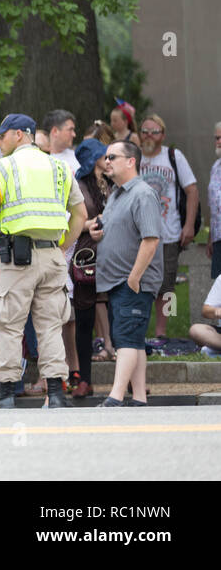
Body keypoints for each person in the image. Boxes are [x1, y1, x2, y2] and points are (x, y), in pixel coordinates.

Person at [0, 114, 87, 409]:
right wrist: (62, 247)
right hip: (52, 256)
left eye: (2, 136)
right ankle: (57, 394)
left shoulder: (2, 168)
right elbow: (80, 215)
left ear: (21, 134)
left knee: (8, 323)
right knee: (50, 326)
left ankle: (7, 393)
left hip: (16, 260)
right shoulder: (59, 167)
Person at [87, 141, 160, 406]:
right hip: (119, 281)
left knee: (125, 339)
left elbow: (151, 239)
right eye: (106, 157)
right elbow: (109, 226)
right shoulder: (117, 194)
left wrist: (134, 277)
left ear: (131, 161)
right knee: (135, 340)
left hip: (132, 281)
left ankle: (115, 396)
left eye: (112, 157)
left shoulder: (142, 194)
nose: (107, 161)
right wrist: (93, 230)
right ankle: (139, 398)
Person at [135, 114, 199, 343]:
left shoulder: (173, 156)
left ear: (163, 135)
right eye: (145, 131)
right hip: (139, 235)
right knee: (139, 283)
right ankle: (139, 332)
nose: (149, 135)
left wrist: (189, 225)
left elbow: (191, 190)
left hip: (168, 233)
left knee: (167, 286)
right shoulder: (134, 157)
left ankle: (163, 331)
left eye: (154, 131)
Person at [69, 138, 110, 396]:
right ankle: (84, 379)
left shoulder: (114, 182)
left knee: (119, 315)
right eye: (102, 155)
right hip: (87, 255)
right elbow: (68, 220)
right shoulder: (76, 184)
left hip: (114, 255)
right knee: (84, 319)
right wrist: (91, 224)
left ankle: (129, 378)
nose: (107, 159)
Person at [42, 109, 81, 175]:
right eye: (70, 130)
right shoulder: (42, 162)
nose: (74, 134)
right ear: (55, 131)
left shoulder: (78, 156)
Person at [210, 120, 221, 282]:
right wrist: (210, 238)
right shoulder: (216, 167)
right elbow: (214, 205)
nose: (218, 142)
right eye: (216, 138)